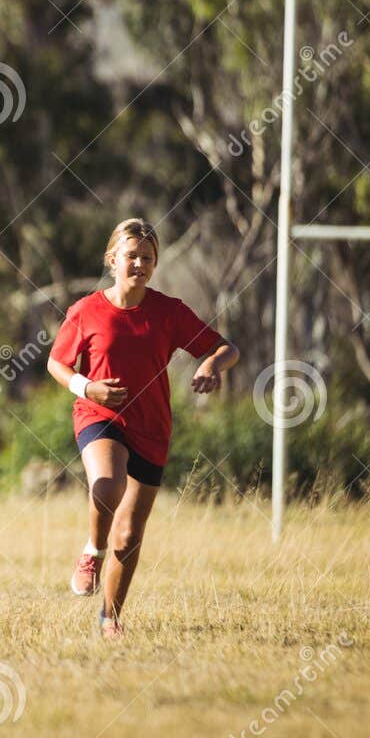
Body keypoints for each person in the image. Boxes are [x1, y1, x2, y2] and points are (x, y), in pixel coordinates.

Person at [47, 218, 238, 637]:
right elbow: (56, 364)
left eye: (147, 258)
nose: (139, 264)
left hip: (151, 426)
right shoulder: (86, 310)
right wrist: (87, 387)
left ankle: (109, 617)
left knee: (132, 530)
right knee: (108, 485)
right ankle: (92, 551)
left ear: (154, 265)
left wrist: (211, 363)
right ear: (112, 258)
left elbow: (227, 348)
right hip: (99, 415)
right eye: (131, 256)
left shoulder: (169, 311)